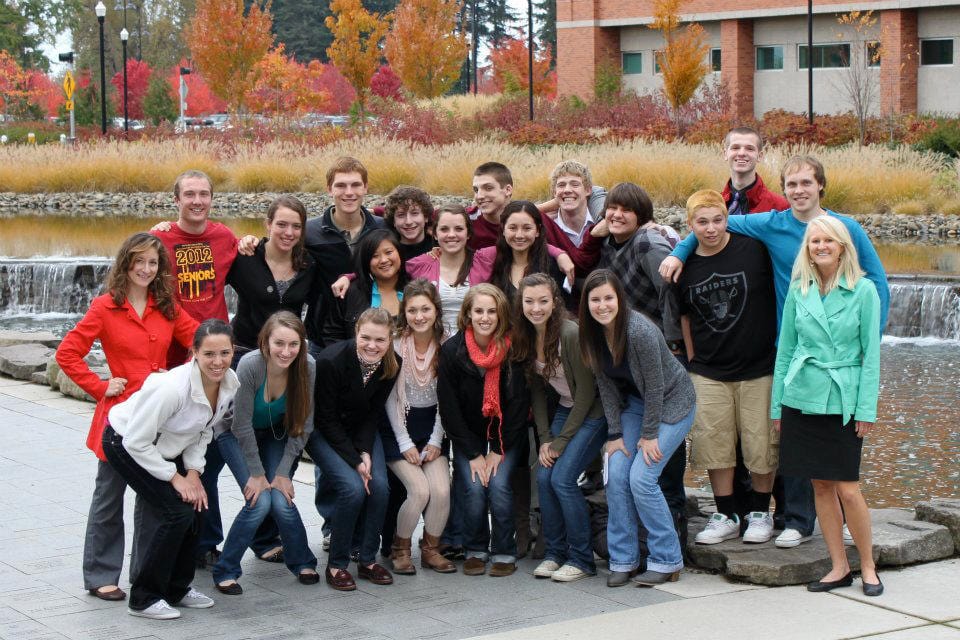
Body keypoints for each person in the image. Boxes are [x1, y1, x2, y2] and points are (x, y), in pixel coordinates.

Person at [660, 155, 890, 549]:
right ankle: (796, 520)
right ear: (783, 190)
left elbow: (878, 281)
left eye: (807, 183)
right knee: (794, 442)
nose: (799, 190)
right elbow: (714, 222)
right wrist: (679, 251)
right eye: (792, 184)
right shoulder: (774, 223)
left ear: (821, 185)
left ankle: (847, 516)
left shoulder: (844, 228)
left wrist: (869, 337)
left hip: (840, 355)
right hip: (791, 349)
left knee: (840, 439)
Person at [56, 233, 198, 602]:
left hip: (157, 415)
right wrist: (100, 386)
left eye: (153, 263)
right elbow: (67, 353)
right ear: (126, 264)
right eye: (140, 262)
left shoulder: (166, 306)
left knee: (153, 501)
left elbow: (201, 340)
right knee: (109, 497)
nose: (146, 269)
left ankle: (146, 576)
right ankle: (101, 575)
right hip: (118, 415)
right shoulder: (106, 306)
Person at [771, 216, 882, 596]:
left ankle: (868, 566)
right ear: (807, 248)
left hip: (843, 399)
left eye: (828, 241)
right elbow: (785, 351)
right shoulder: (799, 290)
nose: (820, 246)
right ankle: (838, 567)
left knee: (848, 487)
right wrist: (776, 407)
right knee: (819, 484)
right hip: (800, 396)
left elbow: (871, 357)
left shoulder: (864, 291)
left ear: (842, 247)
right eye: (814, 240)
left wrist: (867, 409)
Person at [101, 319, 239, 619]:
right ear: (195, 353)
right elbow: (136, 442)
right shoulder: (172, 389)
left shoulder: (229, 384)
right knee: (175, 512)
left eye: (225, 353)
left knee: (199, 507)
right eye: (209, 354)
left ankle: (177, 589)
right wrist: (174, 477)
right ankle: (143, 597)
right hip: (124, 441)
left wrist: (193, 473)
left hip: (165, 447)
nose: (218, 362)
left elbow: (203, 430)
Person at [579, 270, 696, 587]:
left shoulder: (639, 331)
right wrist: (615, 434)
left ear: (619, 298)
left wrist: (649, 435)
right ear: (586, 303)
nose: (602, 305)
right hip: (634, 406)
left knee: (642, 479)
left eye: (608, 298)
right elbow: (605, 385)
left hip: (672, 403)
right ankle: (623, 558)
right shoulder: (590, 334)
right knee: (616, 474)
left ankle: (667, 559)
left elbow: (657, 387)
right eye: (595, 299)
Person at [674, 191, 779, 545]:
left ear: (727, 219)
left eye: (717, 220)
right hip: (708, 371)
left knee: (760, 444)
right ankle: (727, 513)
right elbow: (685, 317)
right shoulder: (685, 266)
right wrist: (693, 361)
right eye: (702, 222)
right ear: (690, 226)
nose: (711, 228)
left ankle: (761, 513)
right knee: (713, 444)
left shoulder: (752, 250)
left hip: (759, 367)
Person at [151, 169, 240, 569]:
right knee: (173, 454)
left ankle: (204, 540)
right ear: (176, 200)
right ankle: (177, 537)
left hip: (216, 359)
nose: (197, 201)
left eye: (204, 194)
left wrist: (252, 239)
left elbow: (252, 252)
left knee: (203, 453)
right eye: (189, 194)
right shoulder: (161, 238)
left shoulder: (224, 238)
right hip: (175, 360)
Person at [212, 312, 319, 594]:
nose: (286, 352)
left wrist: (283, 472)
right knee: (259, 501)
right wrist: (258, 474)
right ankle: (226, 570)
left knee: (281, 499)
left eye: (293, 344)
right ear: (265, 342)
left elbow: (304, 425)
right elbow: (241, 424)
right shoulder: (250, 365)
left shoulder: (307, 366)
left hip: (274, 433)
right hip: (234, 434)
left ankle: (302, 561)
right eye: (279, 344)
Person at [514, 273, 607, 582]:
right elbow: (538, 392)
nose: (536, 308)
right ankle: (555, 553)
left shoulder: (569, 333)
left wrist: (560, 442)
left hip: (592, 413)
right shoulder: (526, 335)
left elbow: (586, 393)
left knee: (564, 479)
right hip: (565, 410)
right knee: (544, 475)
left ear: (554, 302)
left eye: (543, 301)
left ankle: (581, 559)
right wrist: (544, 439)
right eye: (529, 302)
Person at [438, 284, 530, 577]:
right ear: (467, 314)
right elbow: (449, 409)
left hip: (506, 436)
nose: (485, 317)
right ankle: (475, 547)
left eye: (492, 311)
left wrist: (498, 451)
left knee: (500, 486)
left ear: (501, 315)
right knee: (474, 488)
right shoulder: (452, 351)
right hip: (469, 437)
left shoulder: (513, 349)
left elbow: (517, 407)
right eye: (479, 311)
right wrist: (475, 453)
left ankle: (504, 549)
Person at [312, 308, 400, 591]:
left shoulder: (392, 364)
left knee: (380, 487)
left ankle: (367, 558)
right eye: (366, 338)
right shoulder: (331, 361)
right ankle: (337, 564)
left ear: (390, 340)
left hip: (361, 431)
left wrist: (364, 452)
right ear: (356, 333)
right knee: (352, 488)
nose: (372, 346)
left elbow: (373, 413)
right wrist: (354, 460)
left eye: (380, 340)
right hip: (324, 431)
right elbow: (325, 418)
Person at [383, 280, 456, 574]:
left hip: (434, 426)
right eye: (412, 310)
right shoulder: (396, 344)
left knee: (440, 490)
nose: (419, 316)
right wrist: (404, 442)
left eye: (425, 309)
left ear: (436, 311)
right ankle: (399, 549)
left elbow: (446, 398)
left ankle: (430, 549)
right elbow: (388, 400)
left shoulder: (448, 344)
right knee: (419, 490)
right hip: (398, 426)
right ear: (405, 313)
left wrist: (437, 439)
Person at [226, 195, 317, 366]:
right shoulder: (246, 257)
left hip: (287, 354)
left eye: (296, 226)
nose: (289, 233)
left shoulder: (308, 264)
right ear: (268, 224)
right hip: (244, 352)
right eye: (281, 224)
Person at [468, 161, 594, 278]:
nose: (479, 196)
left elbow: (577, 262)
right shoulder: (466, 220)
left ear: (508, 190)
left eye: (488, 188)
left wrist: (560, 253)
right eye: (476, 190)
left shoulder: (536, 220)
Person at [406, 204, 494, 336]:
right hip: (434, 344)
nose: (451, 235)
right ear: (434, 234)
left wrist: (535, 209)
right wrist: (378, 210)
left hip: (477, 344)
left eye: (458, 229)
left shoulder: (485, 259)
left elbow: (514, 233)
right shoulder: (418, 266)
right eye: (444, 229)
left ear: (468, 233)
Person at [322, 229, 407, 344]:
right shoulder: (350, 292)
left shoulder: (413, 288)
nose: (383, 260)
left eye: (388, 252)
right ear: (366, 261)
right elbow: (333, 335)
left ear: (399, 252)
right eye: (375, 256)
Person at [487, 201, 567, 303]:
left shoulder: (552, 266)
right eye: (513, 228)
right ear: (503, 230)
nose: (519, 235)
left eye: (527, 228)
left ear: (537, 231)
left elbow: (562, 308)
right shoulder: (493, 265)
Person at [721, 126, 789, 216]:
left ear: (760, 156)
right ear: (725, 154)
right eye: (735, 147)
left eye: (749, 149)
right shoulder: (711, 204)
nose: (741, 153)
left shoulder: (781, 207)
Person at [382, 185, 436, 261]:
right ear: (393, 221)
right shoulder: (387, 251)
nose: (408, 221)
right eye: (401, 215)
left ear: (426, 217)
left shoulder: (440, 245)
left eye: (415, 213)